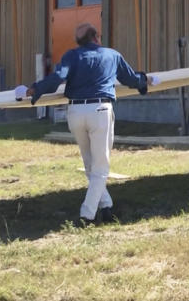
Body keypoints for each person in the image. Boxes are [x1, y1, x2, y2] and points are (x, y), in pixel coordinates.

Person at [26, 22, 148, 226]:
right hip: (100, 111)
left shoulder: (71, 56)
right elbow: (131, 79)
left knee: (90, 163)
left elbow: (57, 78)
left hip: (75, 112)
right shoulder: (112, 55)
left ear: (79, 42)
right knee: (100, 167)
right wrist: (144, 80)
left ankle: (106, 207)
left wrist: (36, 88)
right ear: (97, 37)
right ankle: (87, 216)